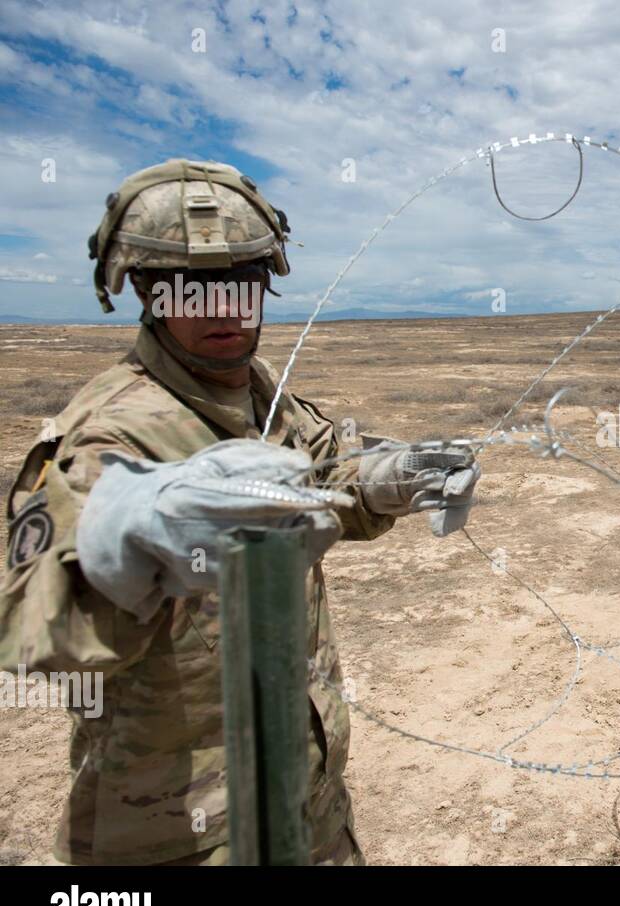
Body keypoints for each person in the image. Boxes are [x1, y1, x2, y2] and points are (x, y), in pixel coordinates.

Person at [0, 158, 479, 865]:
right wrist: (130, 532)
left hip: (304, 799)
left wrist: (390, 476)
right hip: (174, 832)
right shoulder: (109, 431)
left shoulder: (261, 395)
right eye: (188, 288)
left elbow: (328, 470)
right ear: (143, 291)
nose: (219, 307)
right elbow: (34, 623)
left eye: (238, 284)